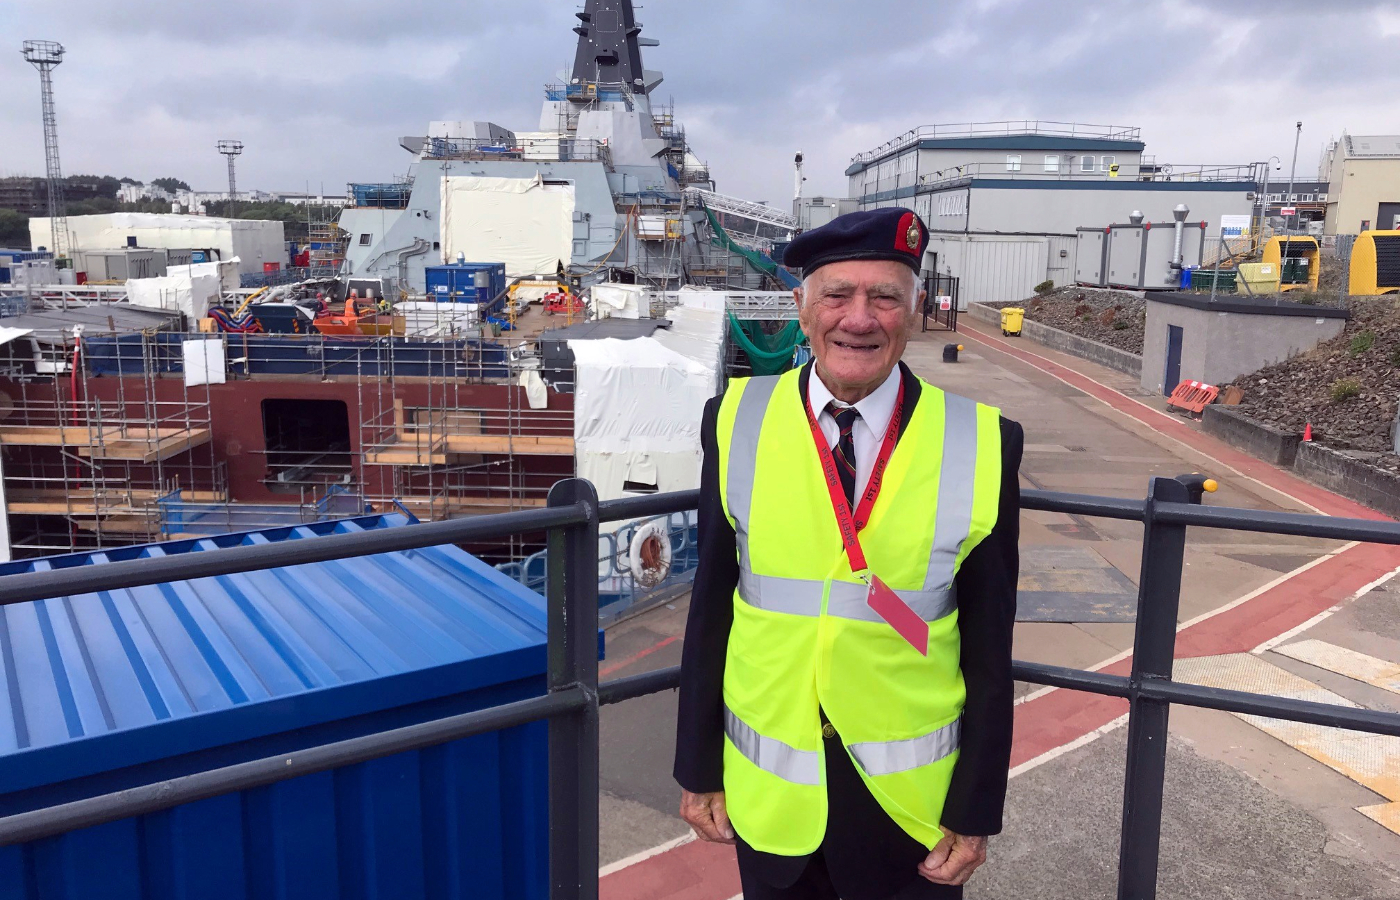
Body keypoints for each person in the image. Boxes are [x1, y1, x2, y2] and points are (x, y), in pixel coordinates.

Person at [673, 208, 1023, 899]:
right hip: (771, 793)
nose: (858, 319)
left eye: (884, 296)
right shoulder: (734, 418)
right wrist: (698, 766)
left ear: (915, 311)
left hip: (908, 809)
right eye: (837, 295)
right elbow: (712, 601)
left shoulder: (984, 443)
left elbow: (990, 645)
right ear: (802, 309)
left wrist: (976, 810)